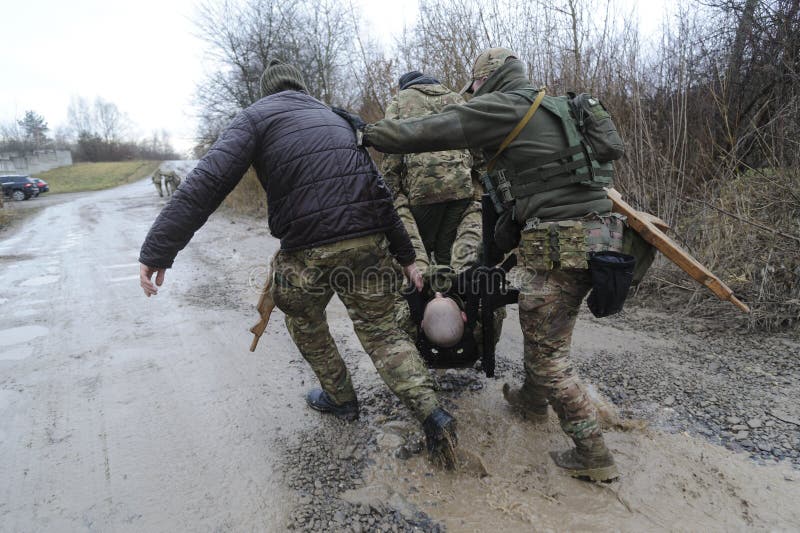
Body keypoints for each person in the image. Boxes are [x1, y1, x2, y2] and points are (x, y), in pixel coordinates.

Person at [138, 59, 457, 463]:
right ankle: (434, 417)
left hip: (308, 249)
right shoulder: (337, 118)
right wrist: (407, 256)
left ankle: (341, 398)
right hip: (369, 241)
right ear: (302, 87)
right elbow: (378, 190)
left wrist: (158, 251)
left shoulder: (255, 117)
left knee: (302, 315)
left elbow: (207, 182)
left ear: (266, 90)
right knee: (382, 332)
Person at [362, 48, 622, 482]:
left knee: (549, 358)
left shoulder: (505, 105)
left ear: (491, 79)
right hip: (602, 239)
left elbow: (436, 130)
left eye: (475, 85)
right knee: (549, 332)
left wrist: (371, 133)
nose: (473, 93)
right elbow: (532, 194)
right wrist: (494, 247)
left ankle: (593, 452)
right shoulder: (557, 106)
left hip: (562, 242)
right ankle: (531, 402)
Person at [380, 71, 476, 268]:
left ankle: (427, 294)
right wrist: (479, 177)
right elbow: (475, 140)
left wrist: (392, 191)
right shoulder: (456, 98)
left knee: (421, 250)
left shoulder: (400, 100)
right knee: (446, 252)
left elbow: (392, 147)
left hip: (422, 189)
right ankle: (451, 293)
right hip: (461, 187)